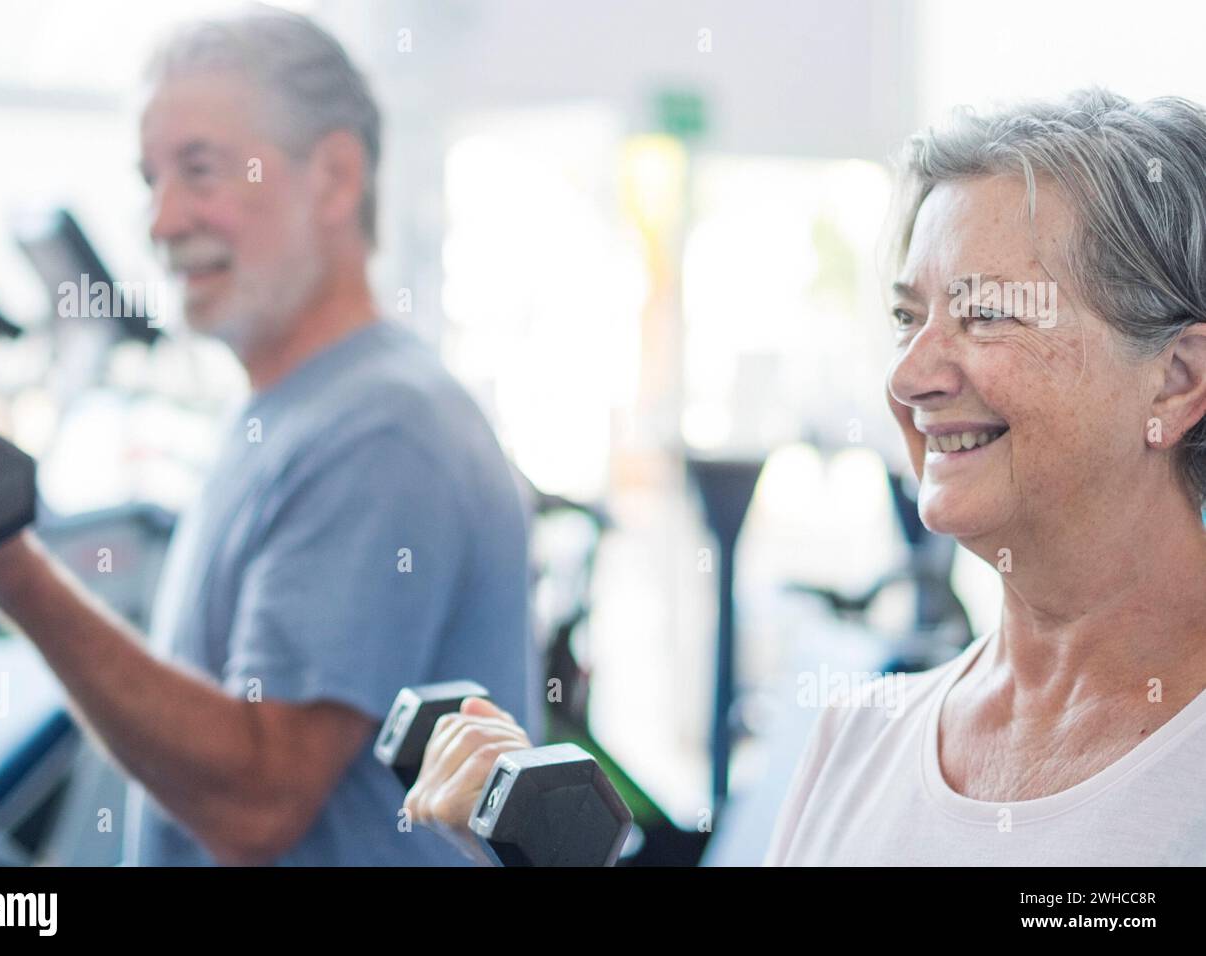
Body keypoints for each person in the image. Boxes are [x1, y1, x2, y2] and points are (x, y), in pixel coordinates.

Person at [403, 88, 1206, 865]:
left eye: (987, 314)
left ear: (1174, 380)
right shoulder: (859, 735)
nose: (909, 375)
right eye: (905, 318)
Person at [0, 5, 536, 866]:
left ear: (335, 178)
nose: (161, 222)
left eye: (200, 172)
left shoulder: (382, 430)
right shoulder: (291, 407)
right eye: (150, 180)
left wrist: (14, 576)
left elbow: (256, 803)